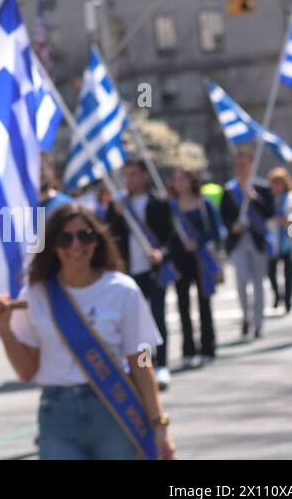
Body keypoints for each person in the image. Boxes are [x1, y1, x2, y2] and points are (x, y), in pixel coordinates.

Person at [0, 203, 175, 461]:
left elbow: (141, 359)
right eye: (65, 238)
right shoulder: (35, 295)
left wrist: (159, 422)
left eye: (85, 235)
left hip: (113, 408)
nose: (76, 245)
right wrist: (5, 330)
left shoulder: (123, 290)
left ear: (97, 240)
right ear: (53, 246)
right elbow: (26, 371)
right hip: (58, 413)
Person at [107, 158, 174, 390]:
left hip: (153, 271)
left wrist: (161, 253)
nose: (130, 180)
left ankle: (162, 365)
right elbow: (109, 236)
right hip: (129, 273)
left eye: (134, 174)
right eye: (127, 175)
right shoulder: (118, 206)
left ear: (145, 176)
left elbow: (170, 238)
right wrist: (116, 215)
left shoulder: (159, 202)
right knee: (135, 326)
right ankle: (146, 365)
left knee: (157, 317)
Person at [164, 169, 224, 368]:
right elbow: (167, 235)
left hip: (202, 259)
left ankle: (208, 346)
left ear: (192, 181)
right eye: (176, 179)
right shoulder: (170, 207)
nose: (179, 182)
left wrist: (198, 242)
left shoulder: (204, 203)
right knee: (182, 305)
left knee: (204, 303)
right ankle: (188, 349)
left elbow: (216, 231)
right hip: (180, 261)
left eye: (183, 178)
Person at [219, 147, 275, 340]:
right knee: (242, 282)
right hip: (239, 242)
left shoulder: (262, 188)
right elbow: (224, 216)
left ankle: (259, 324)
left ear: (252, 164)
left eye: (245, 164)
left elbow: (270, 212)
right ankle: (246, 316)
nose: (242, 167)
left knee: (259, 284)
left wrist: (255, 199)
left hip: (258, 241)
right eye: (239, 164)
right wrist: (232, 226)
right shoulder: (229, 190)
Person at [265, 167, 292, 315]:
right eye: (273, 183)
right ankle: (277, 295)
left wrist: (285, 222)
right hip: (272, 242)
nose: (276, 186)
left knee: (289, 274)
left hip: (288, 242)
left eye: (279, 183)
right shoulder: (268, 199)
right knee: (271, 273)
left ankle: (288, 302)